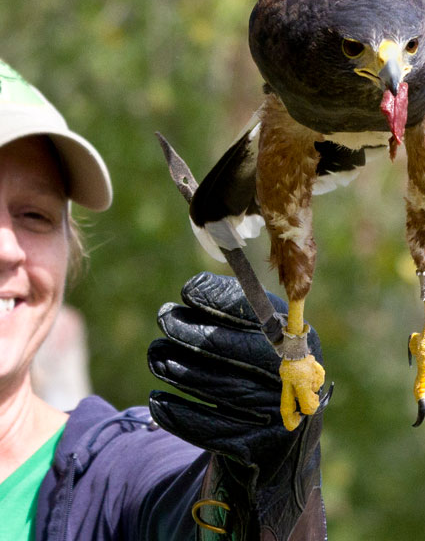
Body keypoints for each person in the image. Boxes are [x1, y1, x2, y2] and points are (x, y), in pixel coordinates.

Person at [0, 58, 328, 540]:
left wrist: (264, 488)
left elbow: (190, 509)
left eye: (34, 215)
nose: (6, 248)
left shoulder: (114, 480)